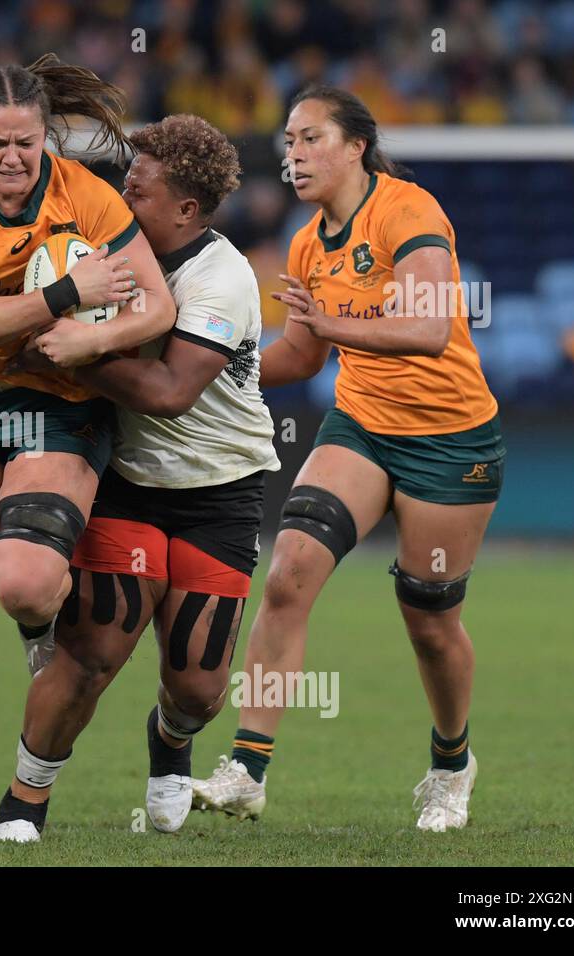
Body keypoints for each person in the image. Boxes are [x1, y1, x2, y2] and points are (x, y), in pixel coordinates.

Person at [193, 86, 506, 833]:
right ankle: (246, 767)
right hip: (361, 427)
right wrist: (214, 362)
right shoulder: (307, 243)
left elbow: (430, 330)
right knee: (289, 572)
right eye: (288, 142)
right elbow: (303, 354)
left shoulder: (410, 211)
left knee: (430, 624)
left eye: (310, 138)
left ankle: (452, 762)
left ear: (355, 145)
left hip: (450, 440)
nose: (293, 154)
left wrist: (335, 321)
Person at [0, 53, 176, 845]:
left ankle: (39, 625)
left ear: (46, 135)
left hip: (60, 407)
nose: (13, 158)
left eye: (26, 142)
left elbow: (155, 307)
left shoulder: (86, 195)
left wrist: (90, 342)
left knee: (23, 584)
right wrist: (71, 294)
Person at [0, 114, 280, 841]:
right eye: (123, 181)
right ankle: (25, 800)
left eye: (138, 190)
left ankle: (172, 739)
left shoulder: (223, 276)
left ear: (185, 209)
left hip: (220, 490)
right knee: (93, 652)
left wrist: (67, 350)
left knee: (200, 688)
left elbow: (171, 391)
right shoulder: (102, 247)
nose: (123, 197)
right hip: (126, 479)